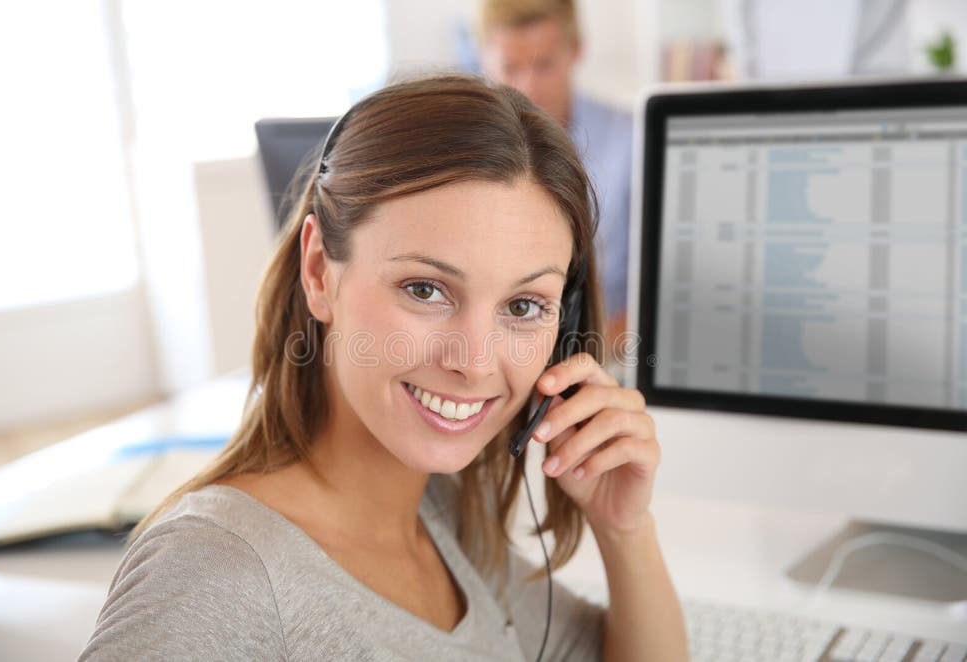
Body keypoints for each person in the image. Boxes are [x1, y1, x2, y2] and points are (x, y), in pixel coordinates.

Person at [78, 74, 686, 661]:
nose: (474, 364)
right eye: (425, 290)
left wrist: (624, 530)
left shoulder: (443, 516)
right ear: (320, 272)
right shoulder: (216, 573)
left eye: (524, 306)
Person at [477, 0, 635, 354]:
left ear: (575, 51)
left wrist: (581, 353)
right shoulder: (465, 151)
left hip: (604, 353)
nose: (528, 87)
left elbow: (657, 285)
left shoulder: (632, 140)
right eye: (509, 67)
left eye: (544, 65)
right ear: (483, 57)